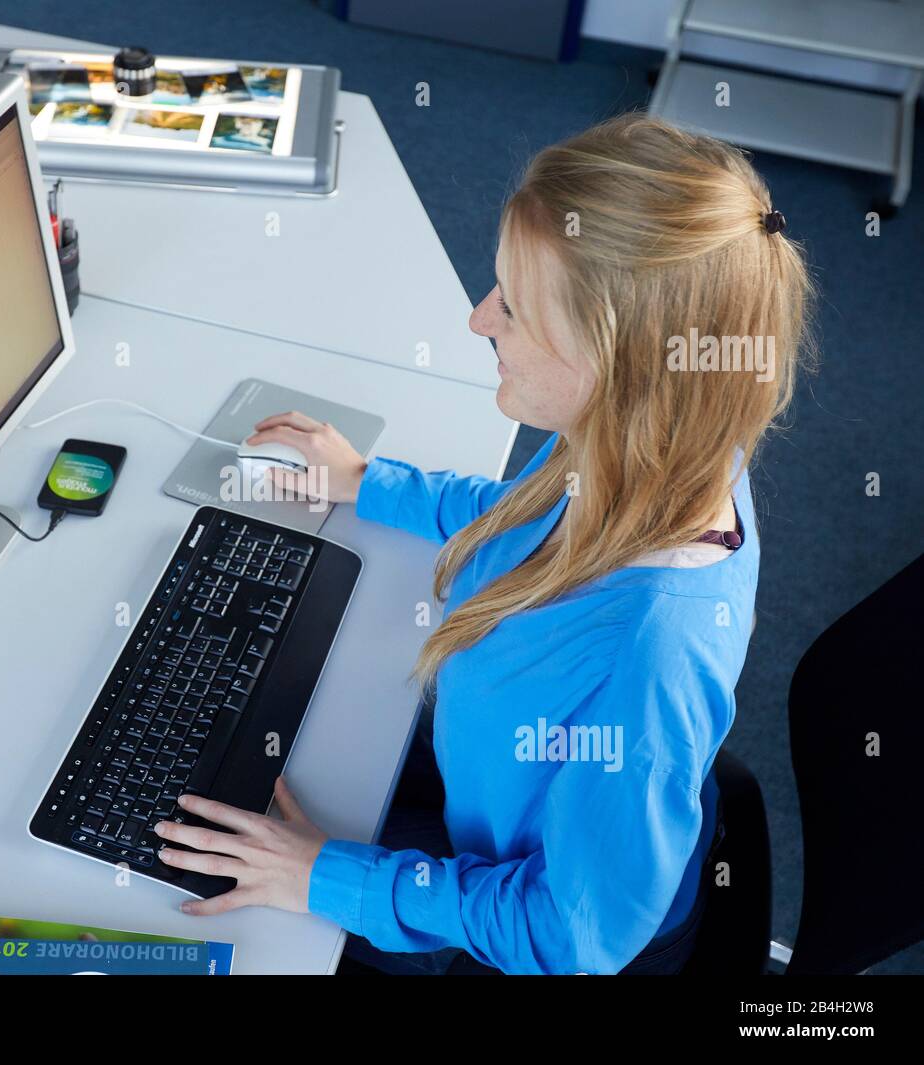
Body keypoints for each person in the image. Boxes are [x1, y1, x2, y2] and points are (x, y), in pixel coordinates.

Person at [150, 113, 813, 974]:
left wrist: (325, 878)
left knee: (220, 908)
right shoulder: (658, 440)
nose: (477, 319)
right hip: (490, 796)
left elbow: (572, 934)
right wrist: (366, 481)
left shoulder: (648, 652)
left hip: (509, 910)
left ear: (616, 363)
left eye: (513, 306)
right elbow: (520, 513)